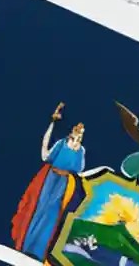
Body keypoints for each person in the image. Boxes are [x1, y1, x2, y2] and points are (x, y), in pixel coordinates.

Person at [11, 108, 86, 260]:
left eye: (81, 132)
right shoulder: (62, 143)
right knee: (39, 209)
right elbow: (46, 155)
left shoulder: (80, 151)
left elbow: (79, 170)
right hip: (51, 179)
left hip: (64, 184)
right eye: (77, 130)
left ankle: (41, 253)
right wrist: (52, 124)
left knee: (53, 215)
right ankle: (28, 247)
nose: (78, 133)